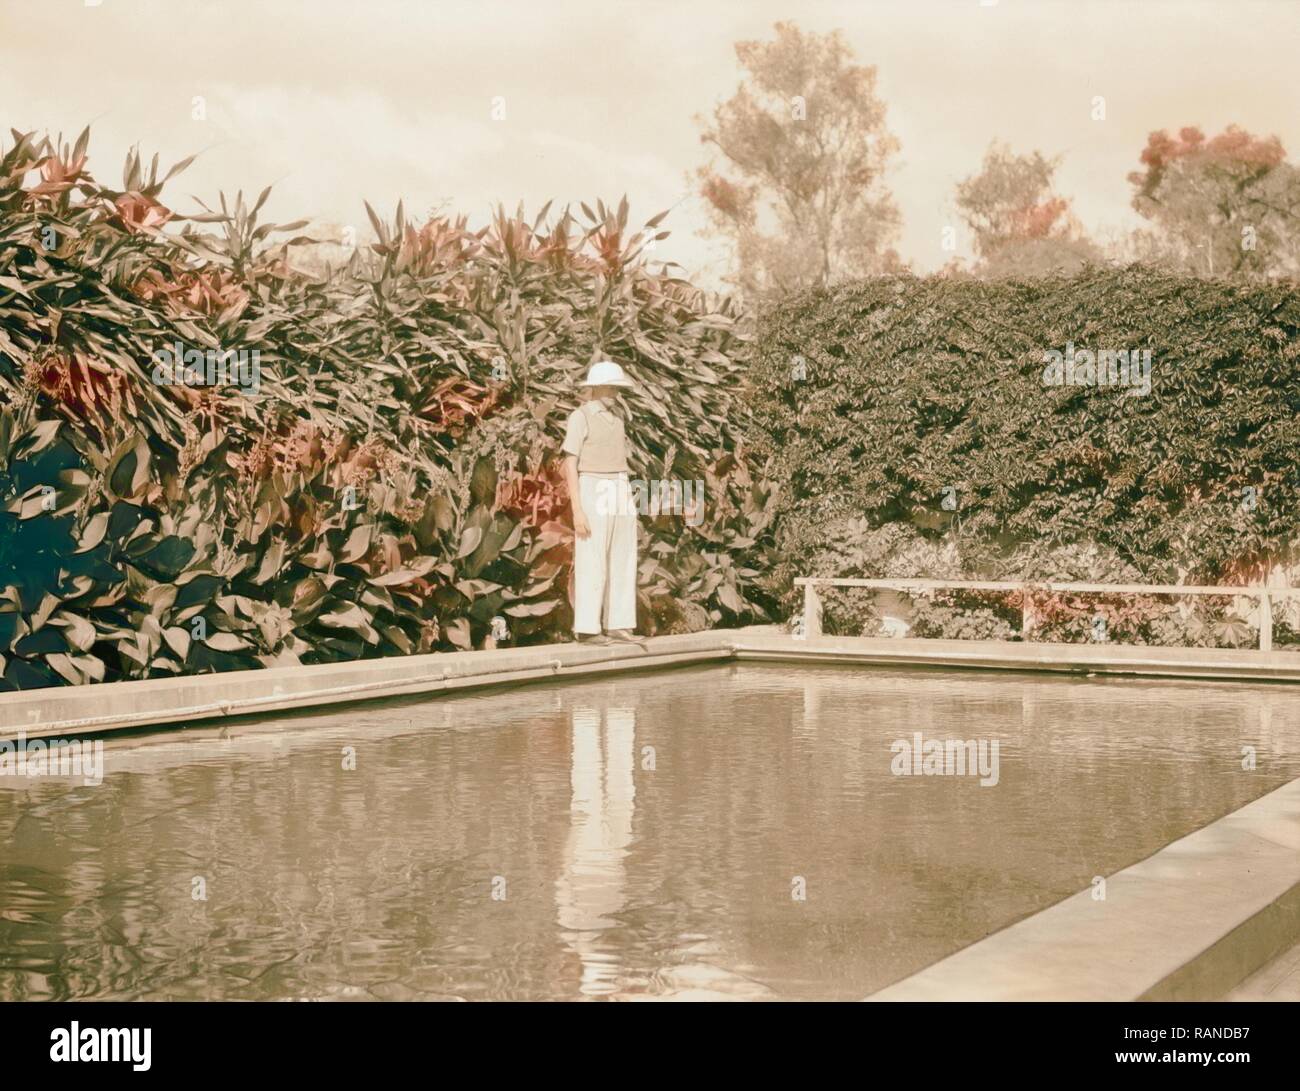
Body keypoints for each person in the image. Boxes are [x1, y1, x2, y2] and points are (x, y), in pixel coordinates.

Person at [561, 360, 644, 646]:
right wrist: (578, 510)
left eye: (616, 387)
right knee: (592, 557)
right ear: (595, 388)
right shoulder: (579, 417)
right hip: (592, 485)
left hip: (619, 484)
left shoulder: (618, 417)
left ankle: (618, 624)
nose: (613, 392)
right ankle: (586, 628)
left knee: (623, 555)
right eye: (609, 387)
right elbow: (570, 463)